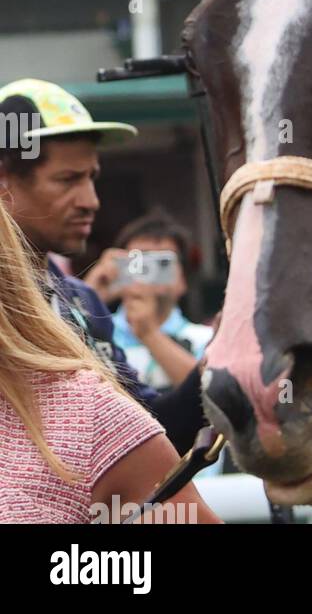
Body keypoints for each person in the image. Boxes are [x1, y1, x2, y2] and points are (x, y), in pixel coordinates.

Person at [0, 79, 209, 456]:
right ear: (4, 183)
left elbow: (148, 434)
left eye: (91, 177)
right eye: (68, 179)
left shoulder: (83, 303)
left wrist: (215, 368)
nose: (91, 201)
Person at [0, 198, 219, 524]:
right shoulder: (89, 310)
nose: (89, 200)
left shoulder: (87, 407)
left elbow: (159, 423)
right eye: (134, 264)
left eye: (157, 264)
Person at [85, 212, 212, 393]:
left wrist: (149, 333)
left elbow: (210, 395)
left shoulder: (206, 339)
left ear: (183, 279)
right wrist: (86, 295)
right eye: (139, 263)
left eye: (162, 263)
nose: (149, 274)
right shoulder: (95, 332)